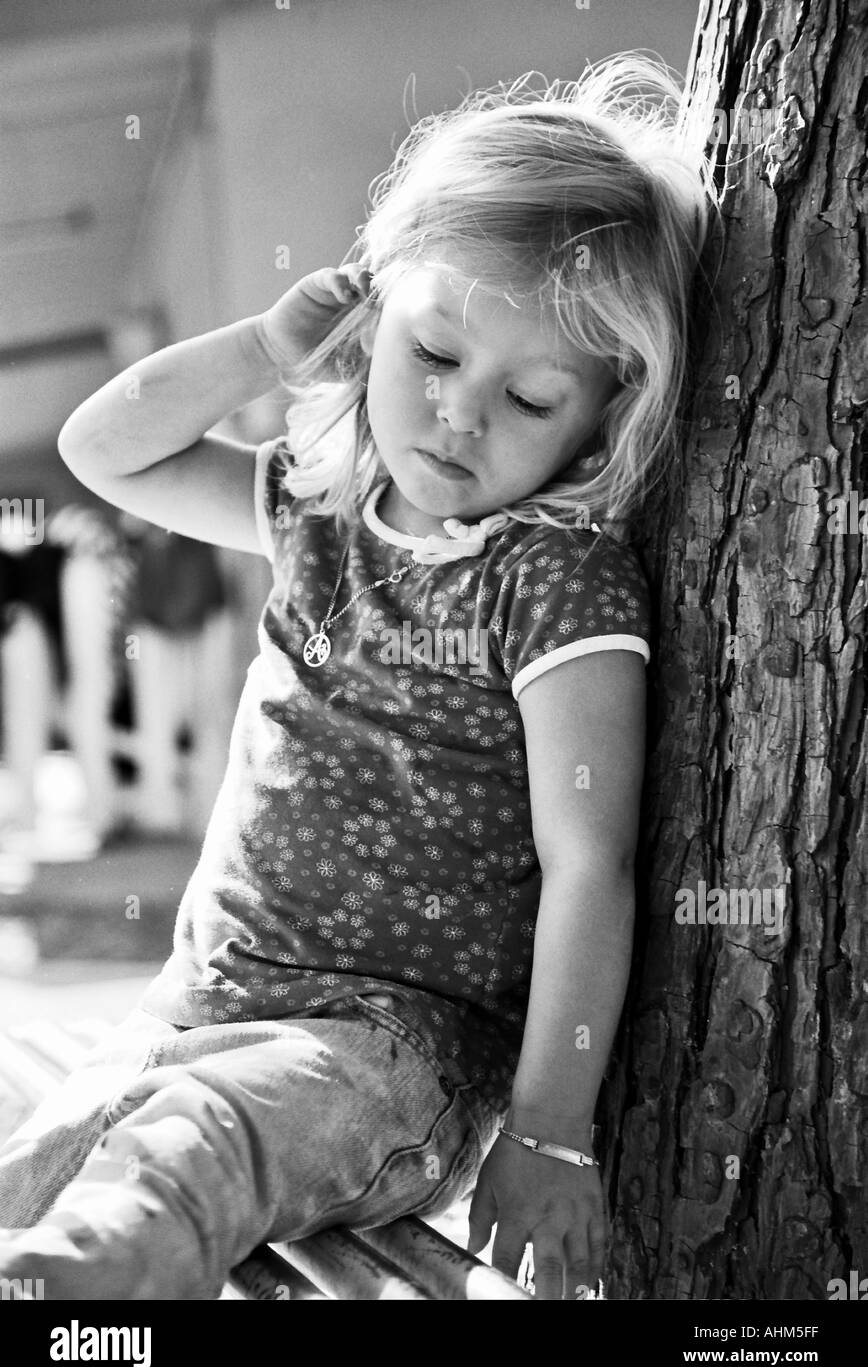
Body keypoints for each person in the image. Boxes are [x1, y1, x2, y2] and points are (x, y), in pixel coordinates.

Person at [0, 53, 718, 1300]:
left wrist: (547, 1127)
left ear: (600, 421)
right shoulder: (319, 506)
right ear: (371, 314)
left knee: (181, 1159)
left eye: (529, 397)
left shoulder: (554, 581)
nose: (459, 415)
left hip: (383, 1055)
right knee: (45, 1163)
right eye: (434, 351)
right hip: (197, 1001)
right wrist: (264, 345)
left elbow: (589, 861)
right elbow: (104, 451)